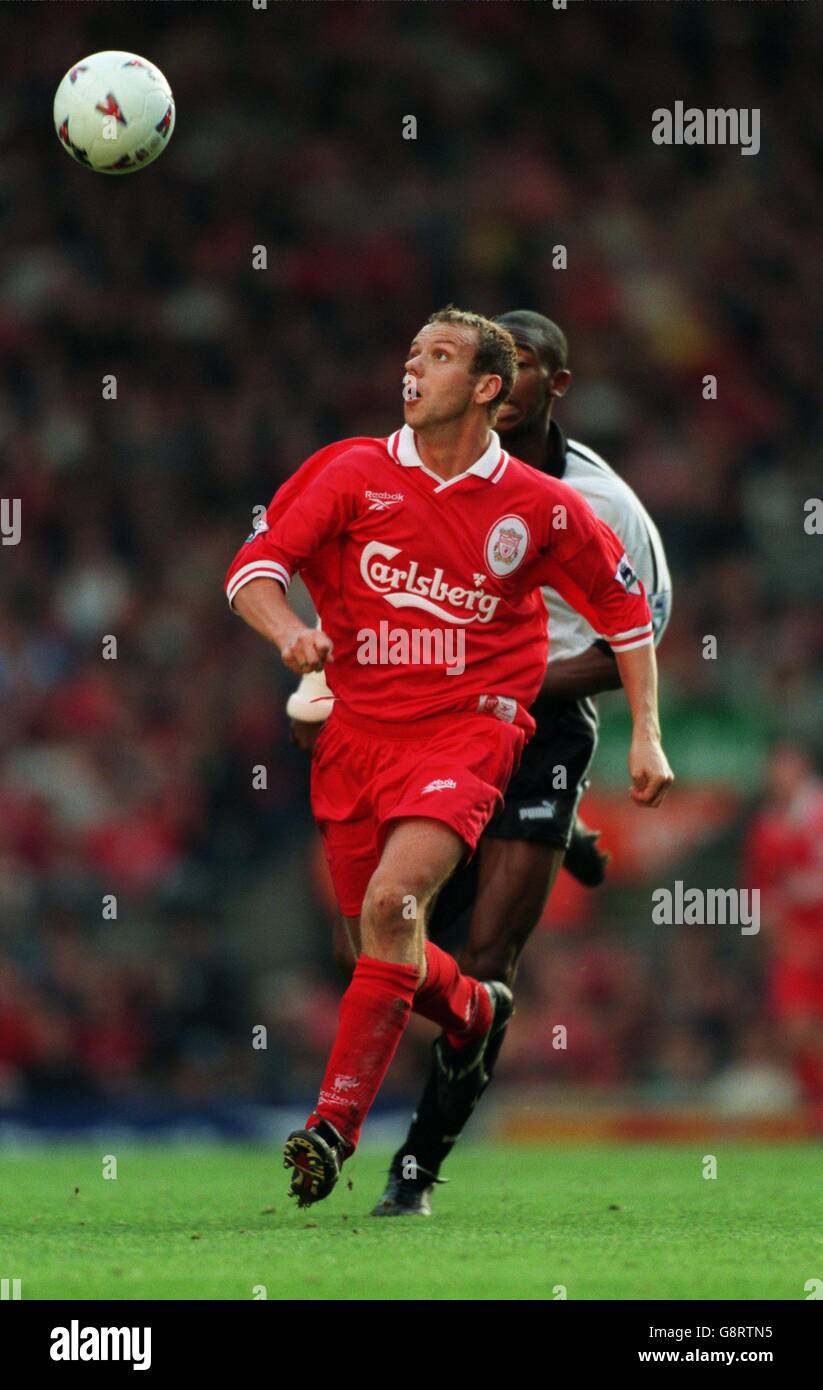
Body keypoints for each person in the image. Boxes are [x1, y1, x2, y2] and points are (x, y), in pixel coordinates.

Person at [225, 307, 673, 1207]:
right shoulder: (353, 470)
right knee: (376, 948)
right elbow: (254, 568)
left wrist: (648, 734)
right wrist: (290, 637)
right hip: (359, 734)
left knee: (412, 909)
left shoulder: (570, 504)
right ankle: (470, 1010)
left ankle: (347, 1137)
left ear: (489, 387)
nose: (411, 370)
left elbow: (632, 615)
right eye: (409, 355)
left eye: (436, 357)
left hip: (485, 726)